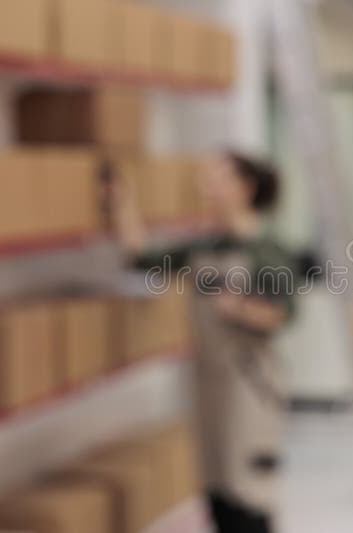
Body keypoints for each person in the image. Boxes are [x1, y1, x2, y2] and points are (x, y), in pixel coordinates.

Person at [109, 151, 295, 533]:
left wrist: (241, 310)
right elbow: (140, 258)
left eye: (216, 180)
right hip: (209, 382)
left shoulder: (267, 250)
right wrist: (122, 203)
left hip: (249, 385)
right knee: (216, 490)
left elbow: (283, 313)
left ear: (245, 188)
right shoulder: (203, 247)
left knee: (249, 494)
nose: (206, 189)